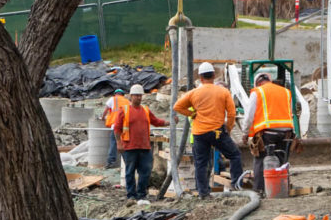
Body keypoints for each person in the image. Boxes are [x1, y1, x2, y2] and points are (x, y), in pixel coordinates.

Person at [174, 61, 242, 197]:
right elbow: (232, 114)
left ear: (200, 78)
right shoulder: (223, 91)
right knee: (234, 155)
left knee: (201, 164)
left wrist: (192, 114)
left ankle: (203, 193)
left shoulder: (194, 93)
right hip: (217, 132)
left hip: (199, 133)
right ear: (214, 76)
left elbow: (177, 106)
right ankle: (236, 184)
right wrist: (228, 129)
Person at [106, 84, 166, 203]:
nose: (139, 98)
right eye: (136, 96)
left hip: (144, 146)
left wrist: (168, 122)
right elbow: (117, 128)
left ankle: (141, 194)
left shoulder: (145, 110)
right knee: (130, 172)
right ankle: (131, 195)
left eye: (140, 96)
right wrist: (119, 143)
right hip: (129, 147)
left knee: (145, 171)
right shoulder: (125, 110)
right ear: (131, 96)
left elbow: (156, 121)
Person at [242, 70, 297, 165]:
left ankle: (260, 180)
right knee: (282, 162)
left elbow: (249, 116)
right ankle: (283, 179)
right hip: (286, 133)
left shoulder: (257, 91)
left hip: (267, 134)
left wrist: (245, 133)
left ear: (257, 83)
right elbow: (291, 112)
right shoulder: (286, 92)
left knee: (261, 160)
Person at [102, 88, 130, 173]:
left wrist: (103, 117)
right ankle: (127, 162)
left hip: (116, 125)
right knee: (124, 144)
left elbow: (106, 110)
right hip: (125, 127)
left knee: (114, 143)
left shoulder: (113, 99)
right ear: (122, 95)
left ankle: (111, 162)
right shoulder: (127, 101)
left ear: (115, 94)